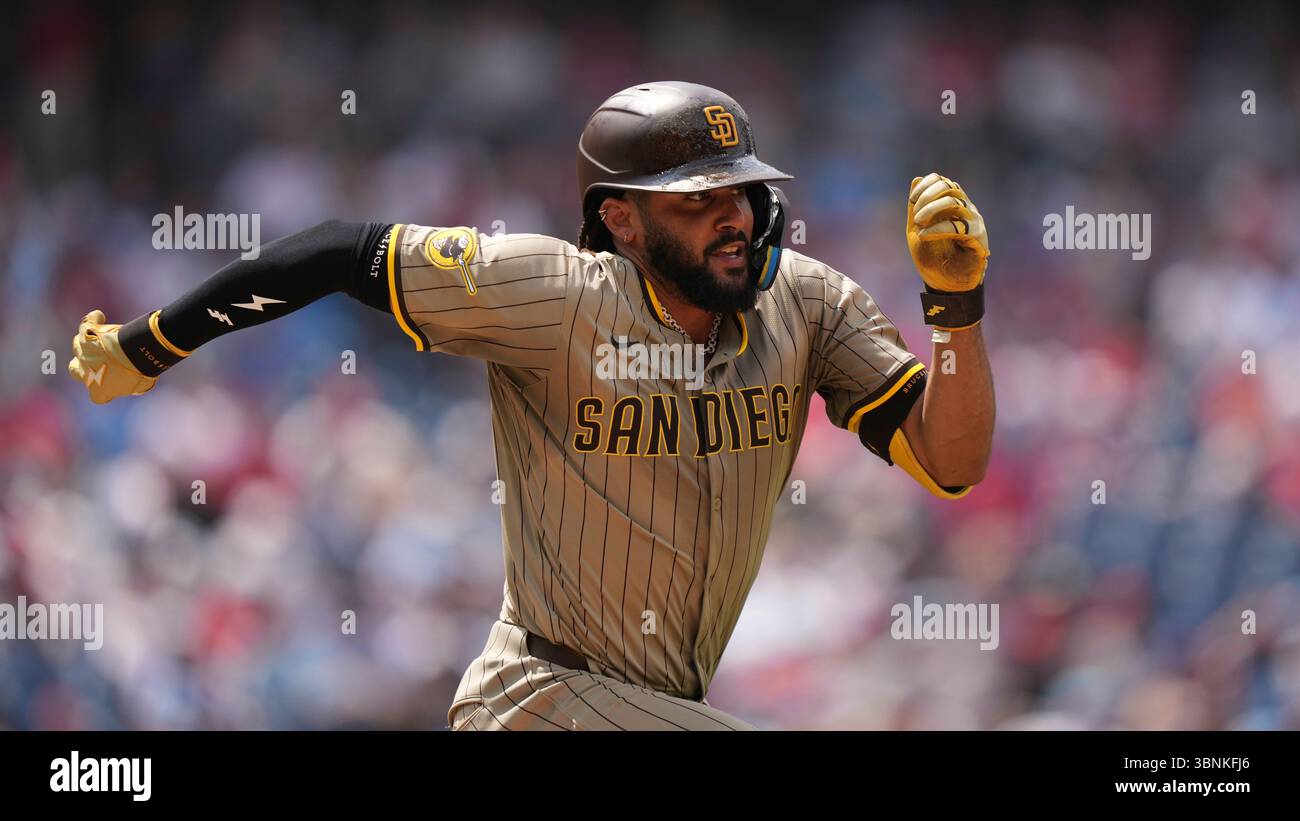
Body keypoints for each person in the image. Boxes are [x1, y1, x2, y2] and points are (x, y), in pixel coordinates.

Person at [69, 81, 995, 730]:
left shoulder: (809, 302)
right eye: (699, 197)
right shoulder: (553, 292)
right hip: (541, 699)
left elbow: (950, 463)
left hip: (660, 709)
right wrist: (146, 347)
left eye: (744, 189)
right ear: (622, 219)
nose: (737, 215)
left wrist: (955, 313)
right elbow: (337, 251)